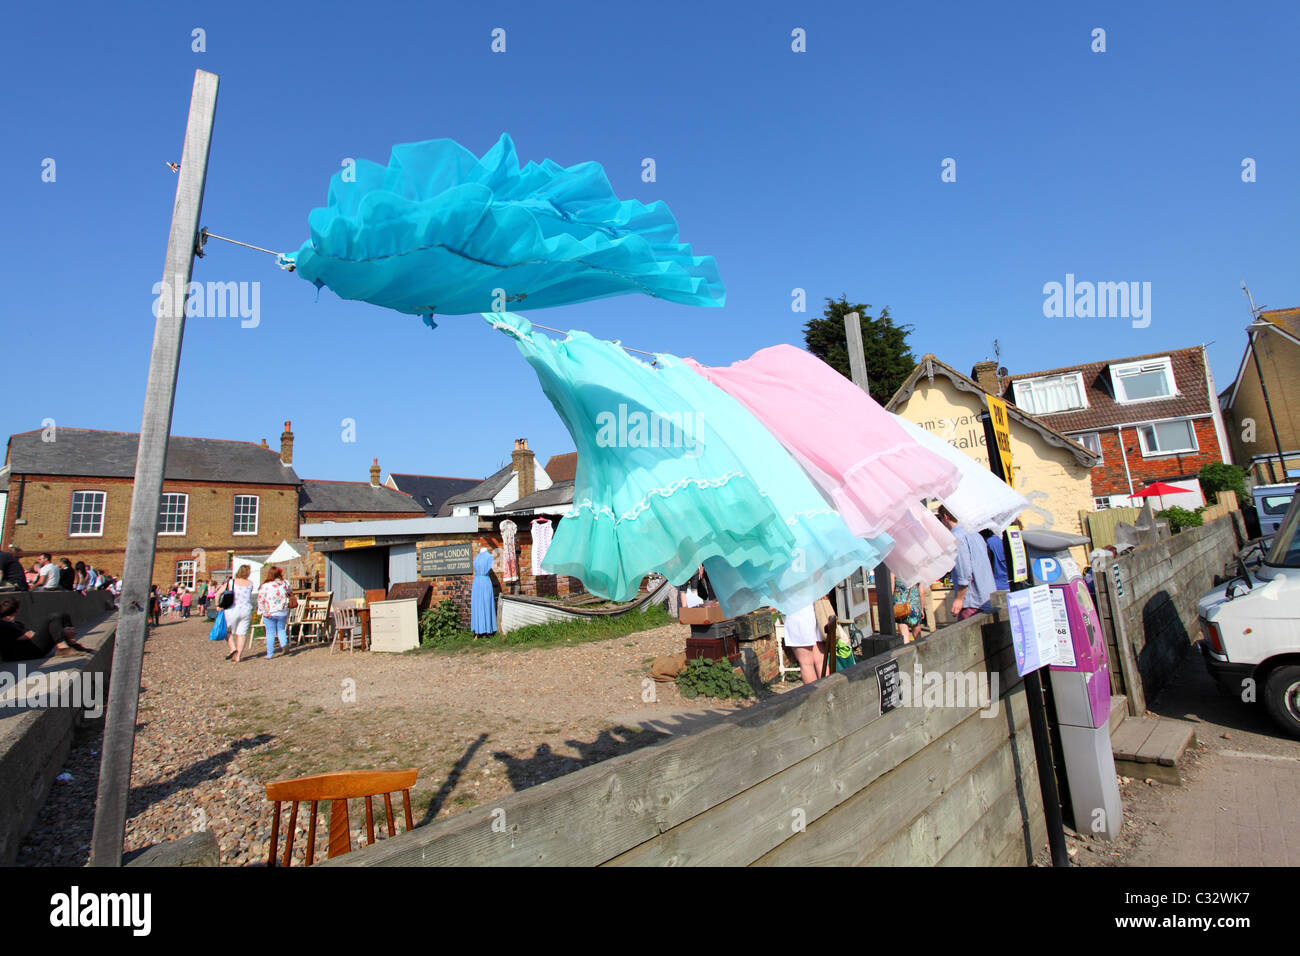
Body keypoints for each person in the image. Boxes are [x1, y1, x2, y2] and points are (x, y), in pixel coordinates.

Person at [937, 504, 995, 620]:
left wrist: (959, 598)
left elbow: (964, 572)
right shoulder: (976, 534)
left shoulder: (956, 538)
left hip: (972, 600)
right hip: (987, 596)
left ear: (946, 517)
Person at [0, 599, 90, 661]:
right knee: (53, 617)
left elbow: (30, 634)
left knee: (63, 616)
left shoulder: (16, 623)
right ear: (16, 611)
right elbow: (26, 636)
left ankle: (71, 643)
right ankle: (63, 648)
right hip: (23, 653)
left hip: (30, 648)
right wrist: (61, 632)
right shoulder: (3, 624)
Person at [782, 602, 827, 684]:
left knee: (806, 664)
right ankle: (830, 692)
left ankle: (815, 695)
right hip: (815, 613)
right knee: (820, 661)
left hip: (797, 615)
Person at [257, 566, 292, 659]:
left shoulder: (265, 586)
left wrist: (263, 611)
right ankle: (284, 644)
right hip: (282, 611)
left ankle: (270, 654)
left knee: (270, 633)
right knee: (281, 629)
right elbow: (290, 592)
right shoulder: (285, 583)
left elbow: (260, 600)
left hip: (270, 611)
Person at [224, 565, 255, 662]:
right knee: (241, 634)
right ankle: (238, 656)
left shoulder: (231, 582)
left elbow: (220, 592)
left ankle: (233, 648)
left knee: (226, 631)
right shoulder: (250, 583)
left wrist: (217, 604)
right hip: (246, 609)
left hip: (233, 609)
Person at [891, 571, 925, 644]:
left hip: (900, 608)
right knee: (917, 636)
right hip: (915, 607)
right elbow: (922, 593)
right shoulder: (918, 572)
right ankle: (921, 653)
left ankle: (907, 652)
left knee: (905, 637)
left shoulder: (894, 571)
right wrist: (922, 609)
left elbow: (891, 590)